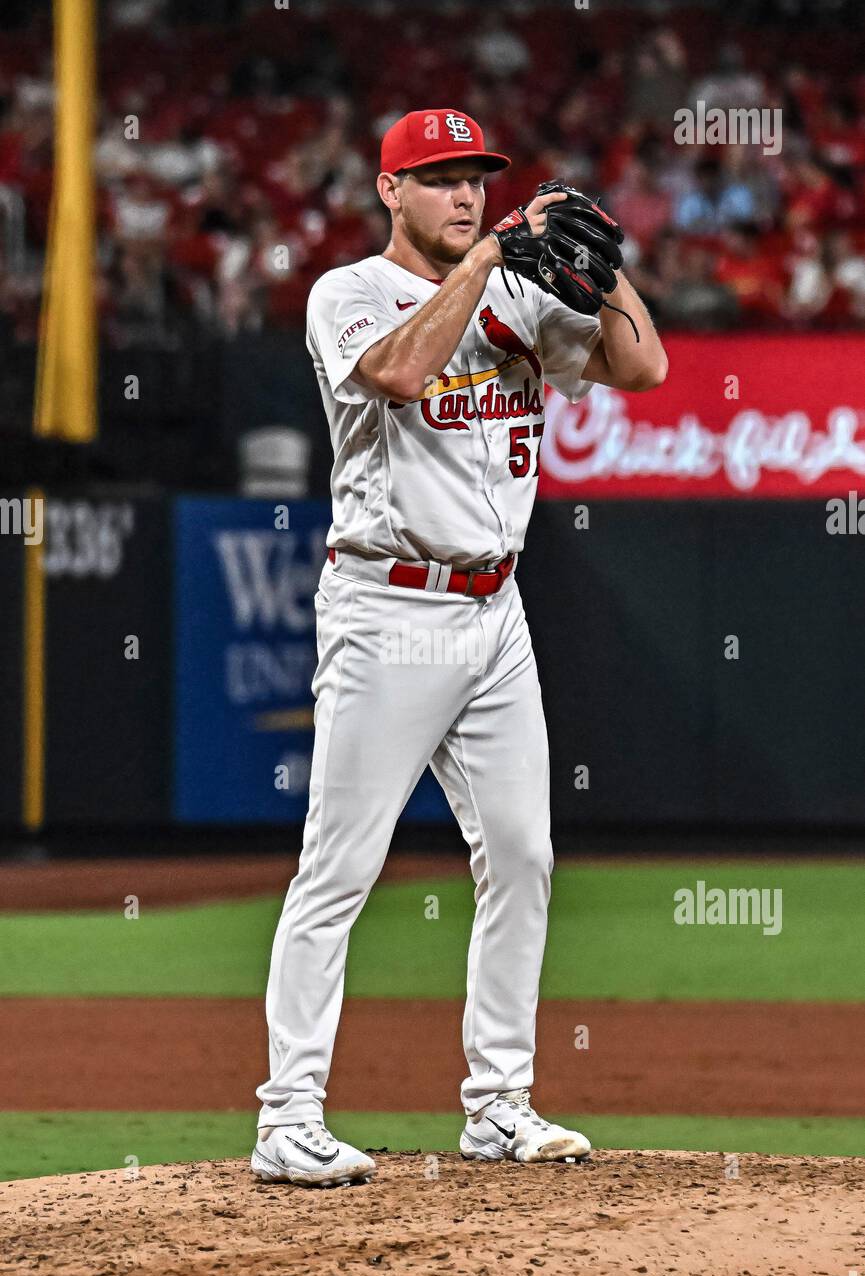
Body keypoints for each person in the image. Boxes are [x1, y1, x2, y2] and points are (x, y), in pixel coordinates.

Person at [252, 109, 667, 1187]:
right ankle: (287, 1117)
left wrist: (605, 266)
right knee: (337, 868)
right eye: (437, 179)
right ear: (390, 191)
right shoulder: (345, 294)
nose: (465, 195)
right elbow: (395, 376)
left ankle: (497, 1105)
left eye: (476, 178)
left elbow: (645, 369)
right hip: (391, 607)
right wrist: (485, 263)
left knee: (524, 856)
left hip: (495, 610)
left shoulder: (525, 293)